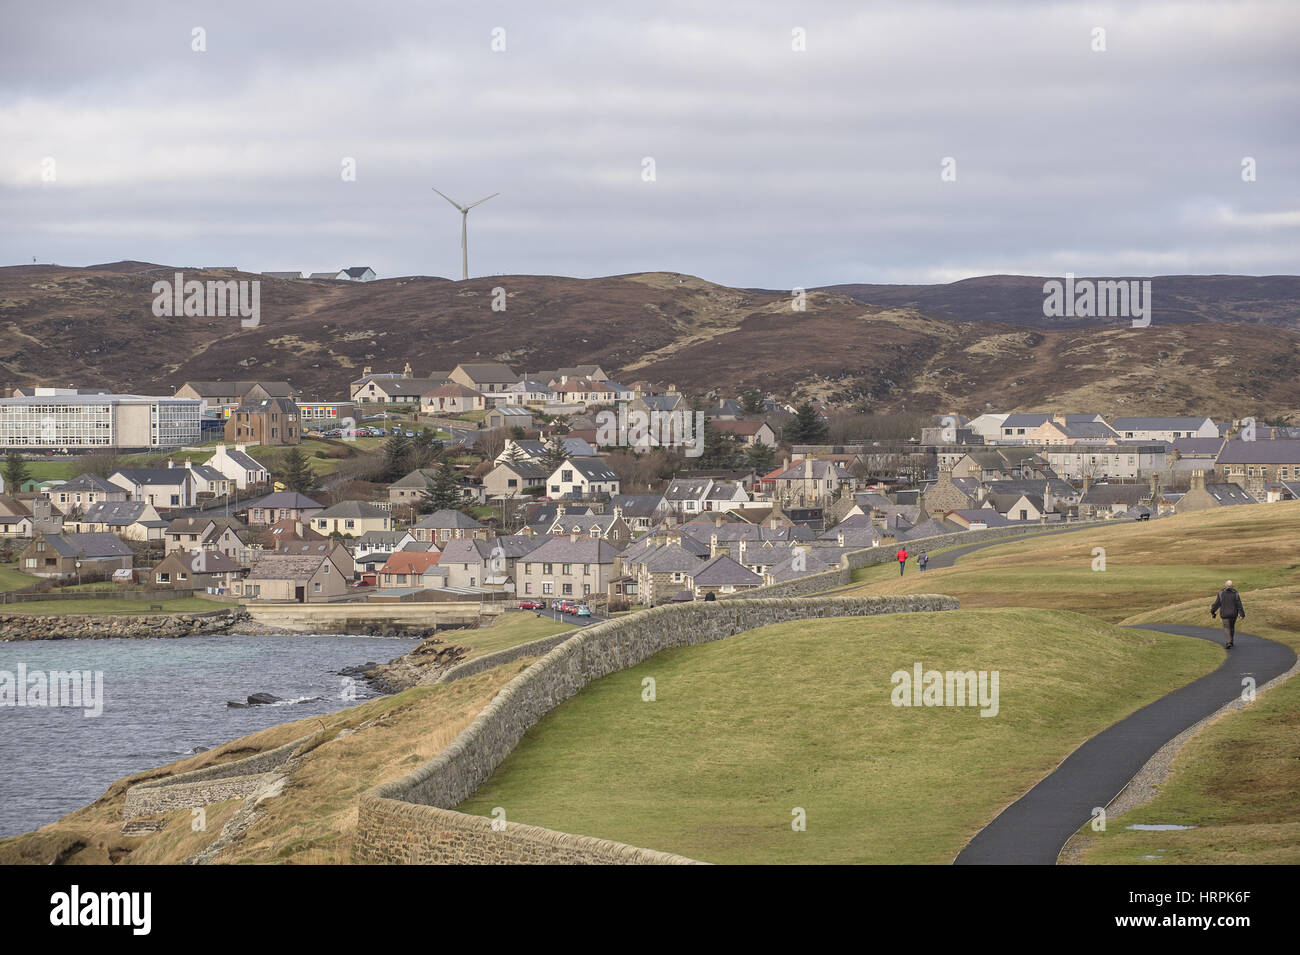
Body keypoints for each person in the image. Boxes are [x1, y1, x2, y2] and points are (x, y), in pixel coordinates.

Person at [1210, 579, 1246, 649]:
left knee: (1226, 628)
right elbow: (1239, 604)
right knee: (1232, 628)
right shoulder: (1235, 593)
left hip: (1224, 614)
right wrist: (1242, 614)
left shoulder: (1221, 593)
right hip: (1233, 614)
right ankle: (1231, 641)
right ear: (1232, 586)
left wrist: (1212, 611)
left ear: (1225, 585)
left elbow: (1217, 604)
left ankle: (1228, 642)